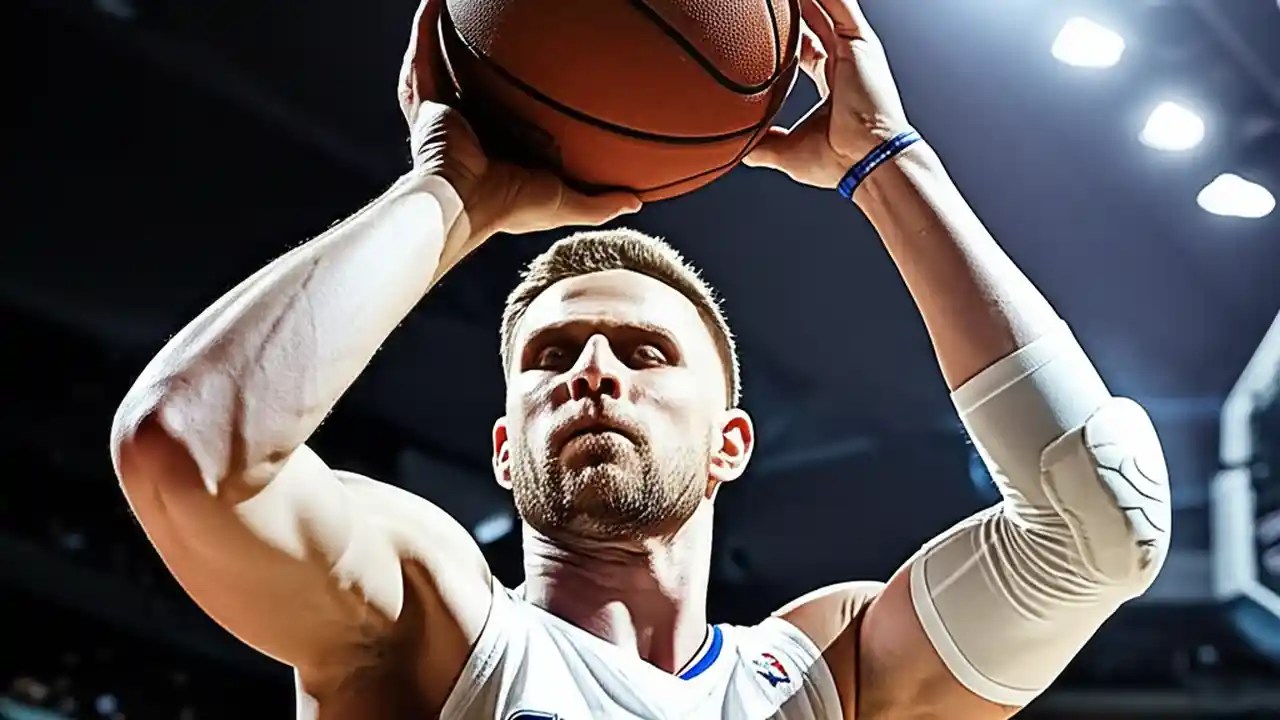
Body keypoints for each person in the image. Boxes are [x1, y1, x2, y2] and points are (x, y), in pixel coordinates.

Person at [108, 0, 1172, 717]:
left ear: (730, 444)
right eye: (551, 354)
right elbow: (187, 449)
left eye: (645, 350)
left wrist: (888, 167)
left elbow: (1103, 521)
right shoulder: (428, 621)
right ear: (501, 446)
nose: (591, 371)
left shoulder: (820, 676)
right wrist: (452, 199)